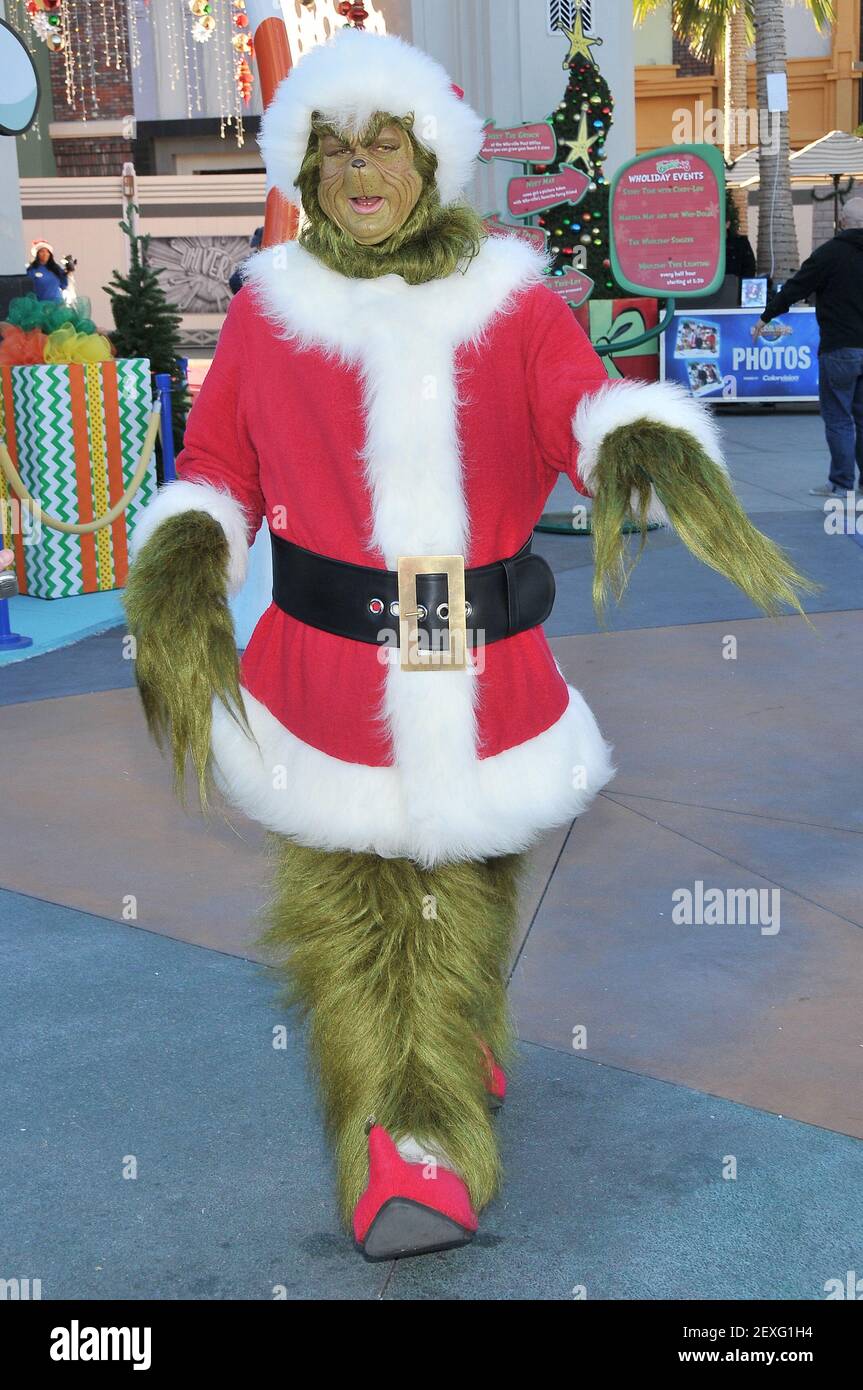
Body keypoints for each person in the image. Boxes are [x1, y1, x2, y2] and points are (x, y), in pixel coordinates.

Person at [125, 28, 808, 1262]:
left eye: (381, 146)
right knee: (369, 925)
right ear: (305, 172)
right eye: (331, 153)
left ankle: (457, 1027)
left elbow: (577, 411)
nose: (356, 175)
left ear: (430, 159)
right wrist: (186, 545)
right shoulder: (272, 313)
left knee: (466, 903)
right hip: (330, 682)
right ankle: (409, 1146)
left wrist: (634, 443)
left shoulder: (512, 301)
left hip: (487, 672)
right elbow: (218, 463)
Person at [752, 196, 863, 497]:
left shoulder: (829, 254)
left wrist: (766, 316)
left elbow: (796, 287)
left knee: (839, 417)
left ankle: (841, 485)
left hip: (840, 348)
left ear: (842, 221)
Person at [725, 202, 756, 281]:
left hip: (735, 287)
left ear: (727, 224)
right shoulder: (706, 245)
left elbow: (750, 268)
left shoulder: (741, 243)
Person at [229, 226, 264, 295]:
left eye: (259, 244)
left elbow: (234, 280)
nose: (257, 248)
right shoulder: (256, 258)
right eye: (258, 245)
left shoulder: (256, 258)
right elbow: (234, 280)